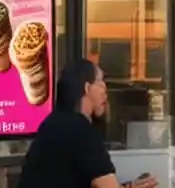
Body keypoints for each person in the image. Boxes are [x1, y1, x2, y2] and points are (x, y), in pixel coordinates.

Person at [17, 59, 157, 188]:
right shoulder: (81, 131)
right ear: (87, 88)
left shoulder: (52, 123)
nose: (105, 92)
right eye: (101, 82)